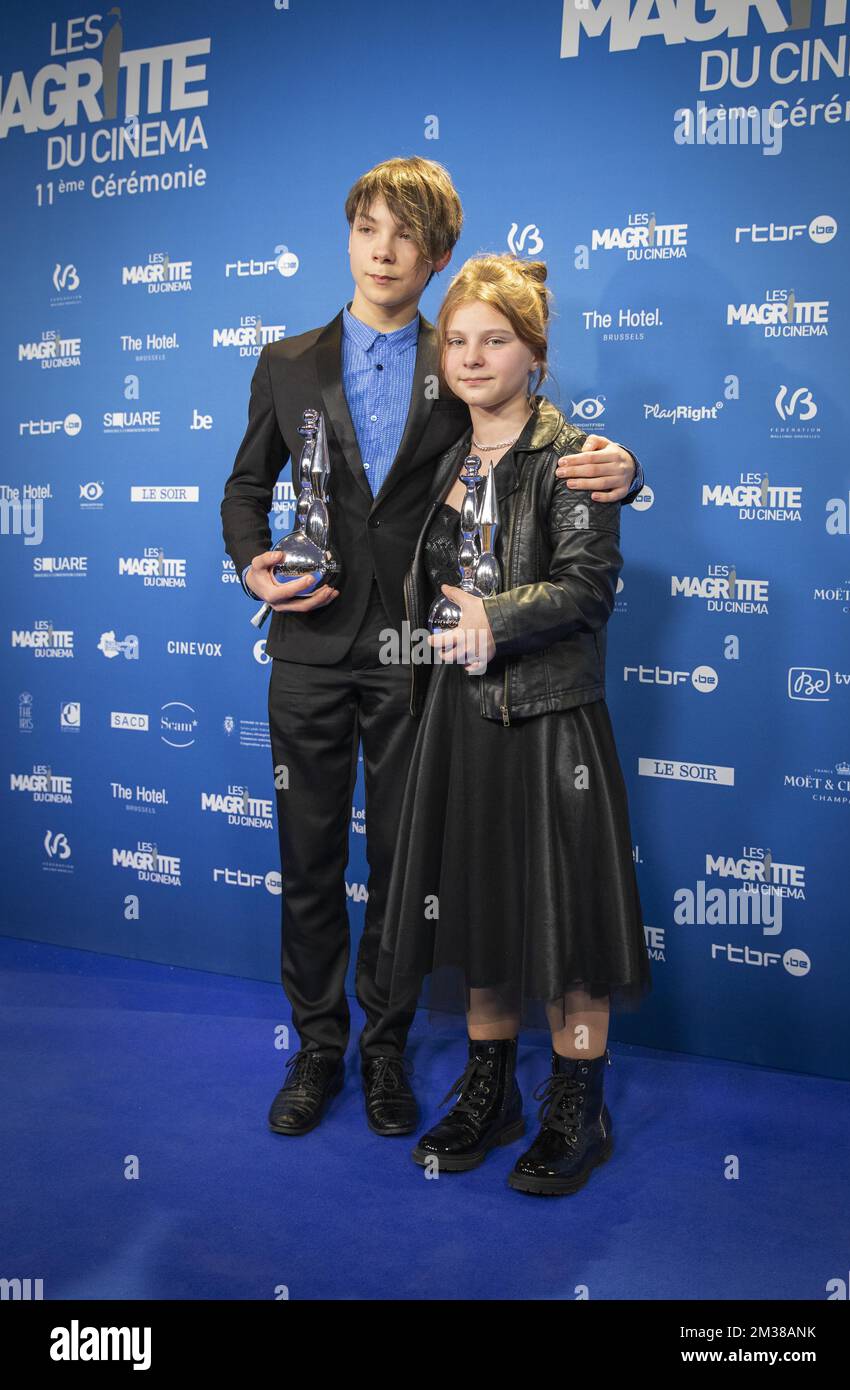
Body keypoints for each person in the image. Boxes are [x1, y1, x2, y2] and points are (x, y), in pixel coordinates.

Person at [221, 157, 645, 1142]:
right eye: (367, 226)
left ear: (436, 255)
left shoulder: (457, 358)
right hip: (309, 645)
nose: (381, 248)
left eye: (404, 234)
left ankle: (383, 1049)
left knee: (410, 869)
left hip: (423, 657)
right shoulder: (287, 362)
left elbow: (537, 437)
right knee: (309, 858)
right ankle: (318, 1046)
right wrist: (250, 563)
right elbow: (245, 489)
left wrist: (629, 465)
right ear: (347, 236)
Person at [376, 252, 651, 1195]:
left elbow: (587, 587)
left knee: (567, 920)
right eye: (456, 341)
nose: (472, 357)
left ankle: (579, 1103)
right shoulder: (446, 451)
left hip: (548, 719)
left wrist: (501, 617)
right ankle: (490, 1088)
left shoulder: (576, 454)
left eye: (495, 340)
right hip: (459, 718)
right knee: (483, 903)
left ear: (535, 351)